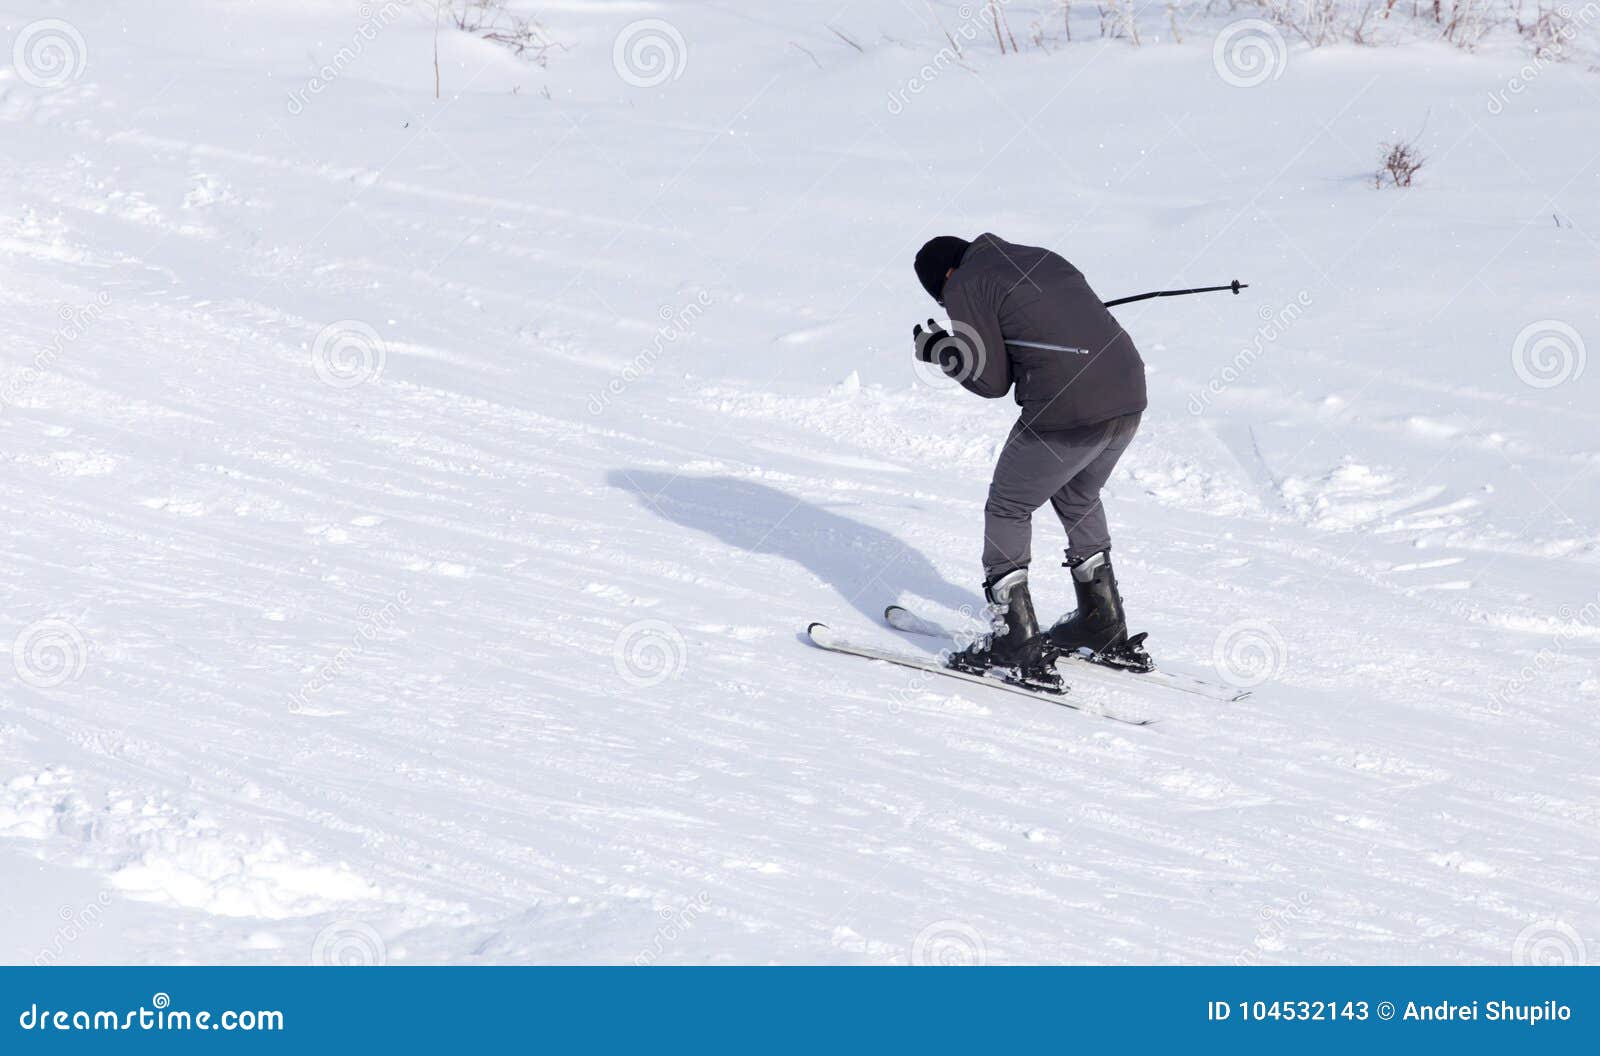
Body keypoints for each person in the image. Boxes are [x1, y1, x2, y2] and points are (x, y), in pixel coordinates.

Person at [911, 233, 1150, 683]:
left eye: (942, 300)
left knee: (1008, 506)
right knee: (1079, 495)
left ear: (945, 277)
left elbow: (990, 380)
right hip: (1128, 392)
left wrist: (941, 350)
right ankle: (1102, 623)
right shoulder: (1036, 257)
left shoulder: (965, 283)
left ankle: (1015, 641)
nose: (949, 306)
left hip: (1071, 408)